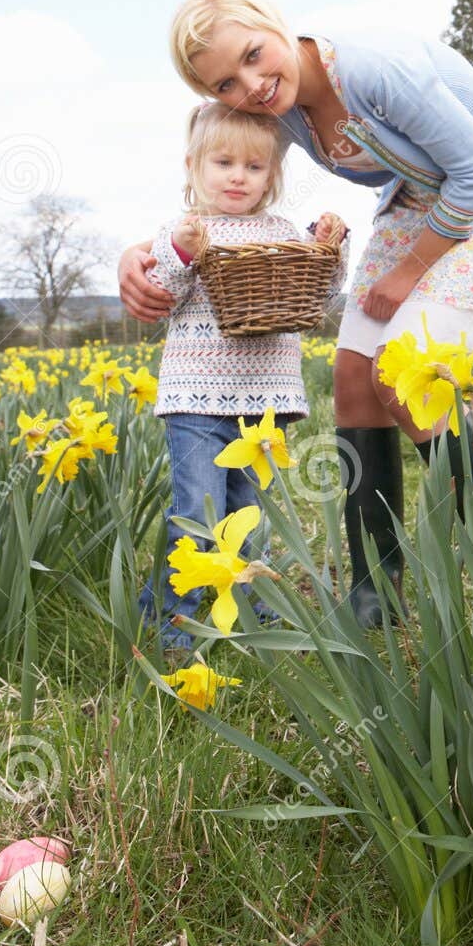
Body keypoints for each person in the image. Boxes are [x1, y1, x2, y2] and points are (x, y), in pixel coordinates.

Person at [119, 0, 473, 628]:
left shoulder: (372, 70)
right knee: (351, 373)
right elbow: (228, 179)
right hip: (422, 199)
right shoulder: (275, 109)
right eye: (227, 82)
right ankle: (376, 594)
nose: (252, 85)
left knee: (403, 368)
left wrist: (408, 271)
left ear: (277, 24)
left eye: (255, 55)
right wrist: (139, 251)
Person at [140, 101, 346, 653]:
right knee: (195, 517)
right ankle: (170, 622)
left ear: (271, 175)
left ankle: (254, 610)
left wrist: (330, 247)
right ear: (194, 166)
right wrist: (180, 251)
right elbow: (164, 294)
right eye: (223, 163)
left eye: (253, 167)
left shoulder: (282, 232)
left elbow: (317, 293)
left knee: (250, 518)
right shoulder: (184, 231)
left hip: (264, 407)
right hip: (196, 401)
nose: (237, 176)